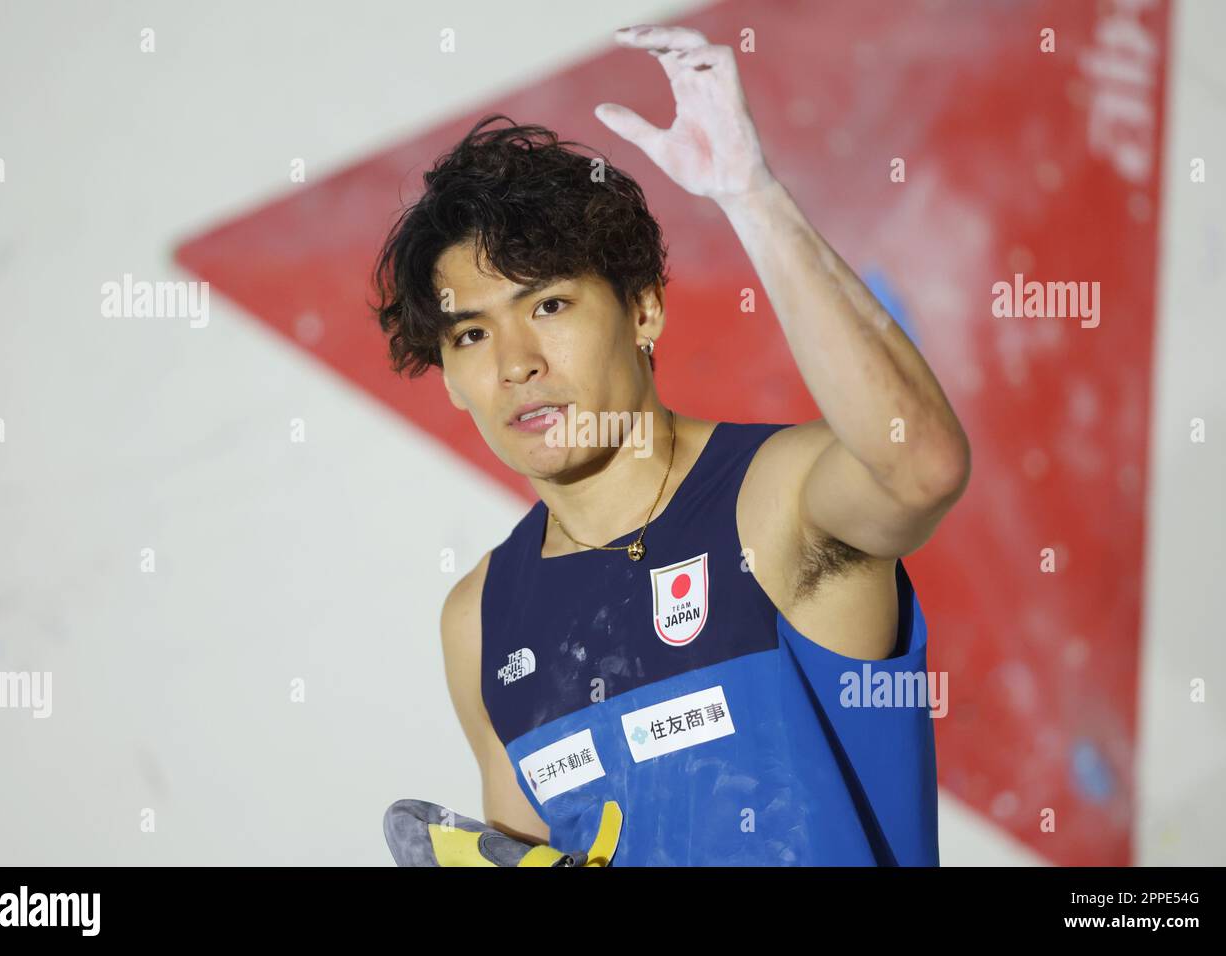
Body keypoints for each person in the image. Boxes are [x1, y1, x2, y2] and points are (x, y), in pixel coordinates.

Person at [372, 24, 969, 865]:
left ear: (644, 310)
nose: (515, 365)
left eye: (548, 306)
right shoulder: (479, 622)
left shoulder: (772, 504)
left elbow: (922, 464)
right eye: (470, 335)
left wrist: (751, 196)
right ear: (445, 373)